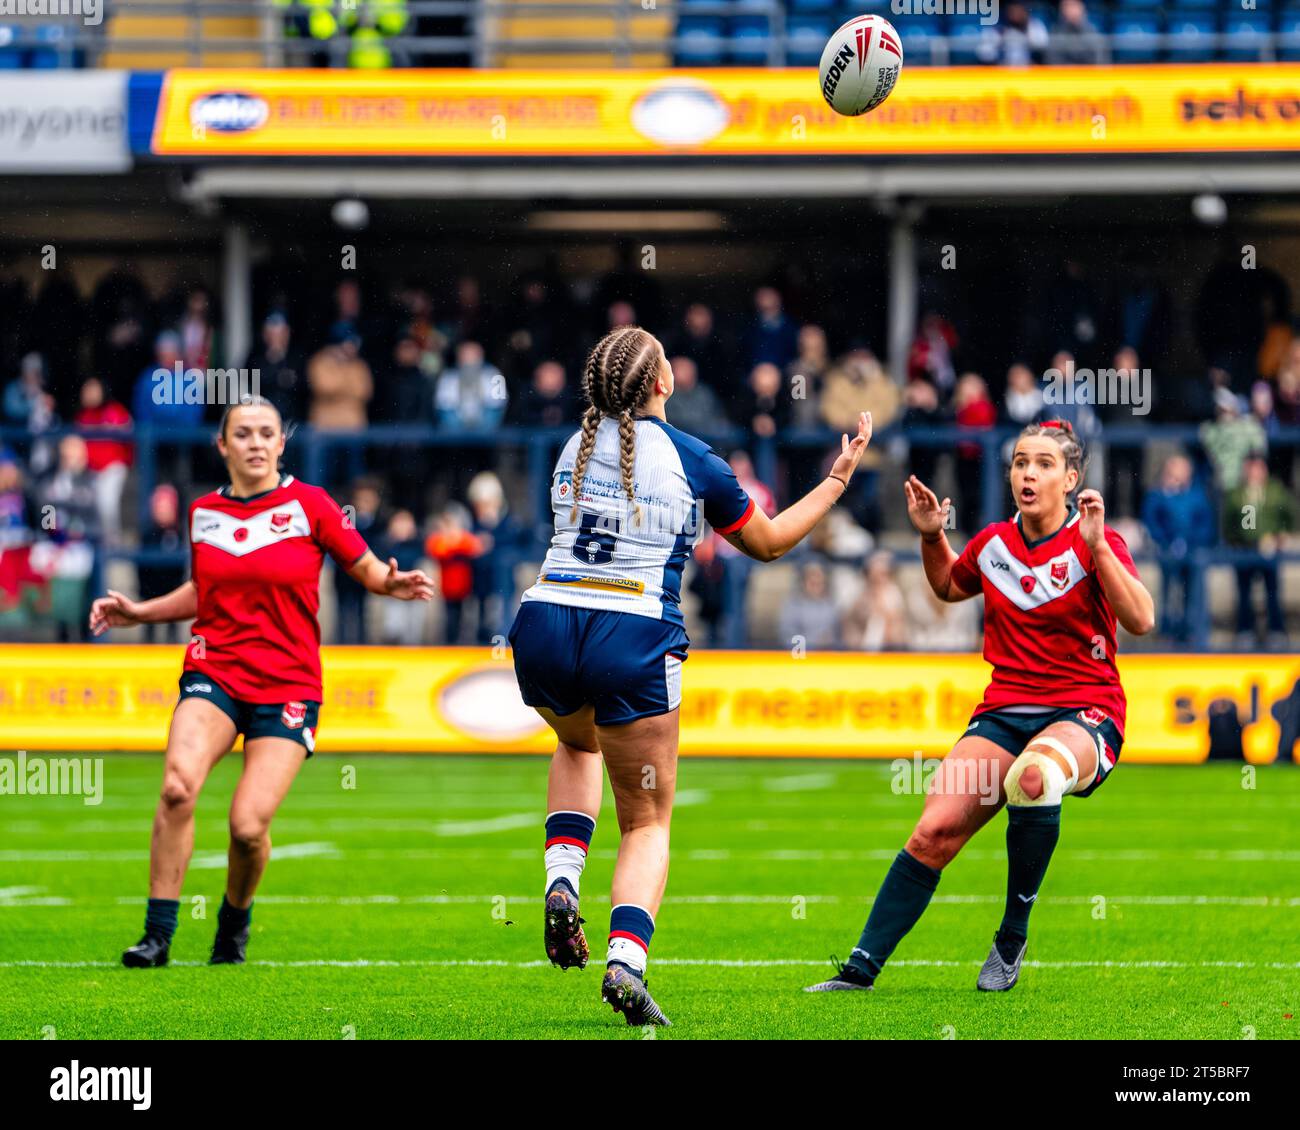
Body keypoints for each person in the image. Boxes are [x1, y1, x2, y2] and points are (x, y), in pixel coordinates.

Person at [509, 324, 871, 1025]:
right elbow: (765, 543)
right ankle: (625, 963)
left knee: (577, 743)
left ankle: (561, 880)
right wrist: (836, 480)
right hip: (633, 628)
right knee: (646, 819)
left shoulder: (570, 447)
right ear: (662, 384)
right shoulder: (692, 455)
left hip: (545, 618)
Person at [808, 419, 1153, 995]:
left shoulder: (1095, 540)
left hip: (1085, 710)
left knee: (1033, 778)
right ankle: (858, 972)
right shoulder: (994, 542)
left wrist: (1097, 547)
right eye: (1020, 461)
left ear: (1071, 478)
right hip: (1004, 711)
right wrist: (929, 536)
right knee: (933, 833)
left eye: (1044, 463)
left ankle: (1010, 939)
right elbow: (948, 586)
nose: (1028, 473)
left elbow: (1141, 620)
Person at [89, 397, 433, 969]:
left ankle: (232, 924)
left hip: (288, 685)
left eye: (264, 433)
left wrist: (388, 584)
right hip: (214, 672)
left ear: (280, 444)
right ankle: (157, 936)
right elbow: (205, 592)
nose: (253, 442)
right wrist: (140, 613)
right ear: (222, 446)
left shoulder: (314, 505)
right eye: (241, 433)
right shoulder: (203, 513)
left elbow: (368, 567)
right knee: (177, 787)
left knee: (247, 827)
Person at [1223, 452, 1296, 647]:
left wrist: (1280, 537)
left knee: (1272, 592)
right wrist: (1236, 542)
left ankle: (1276, 631)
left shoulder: (1275, 490)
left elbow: (1290, 515)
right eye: (1251, 467)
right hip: (1244, 550)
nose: (1255, 472)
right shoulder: (1237, 493)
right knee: (1244, 593)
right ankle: (1245, 630)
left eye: (1258, 467)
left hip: (1269, 550)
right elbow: (1228, 523)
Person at [1140, 454, 1214, 642]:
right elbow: (1151, 521)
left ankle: (1193, 631)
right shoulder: (1158, 495)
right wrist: (1167, 542)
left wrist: (1189, 543)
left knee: (1194, 589)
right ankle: (1168, 630)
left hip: (1193, 551)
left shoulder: (1196, 494)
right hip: (1167, 551)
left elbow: (1205, 523)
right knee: (1168, 592)